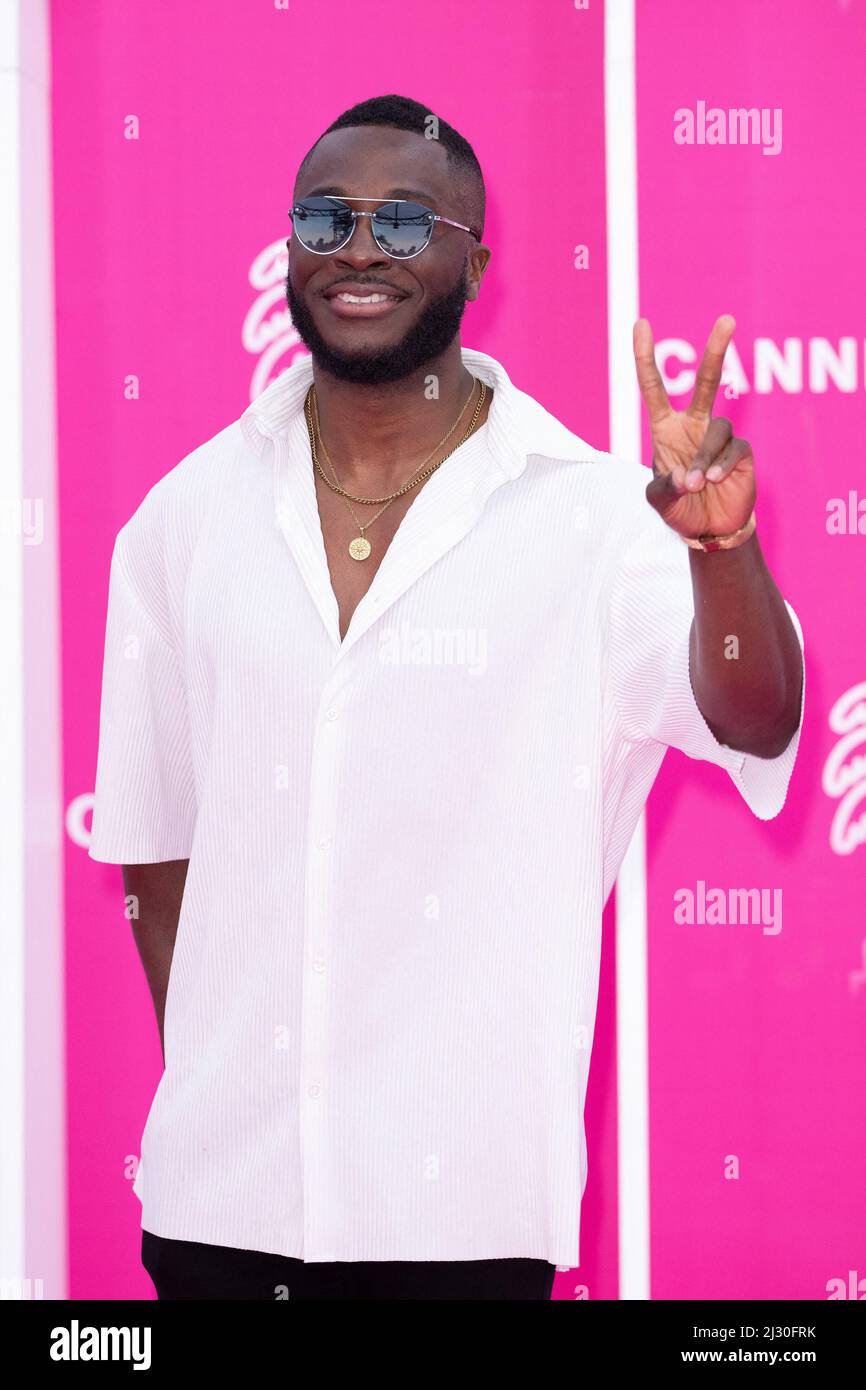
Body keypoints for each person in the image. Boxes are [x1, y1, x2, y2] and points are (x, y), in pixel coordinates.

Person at [89, 94, 805, 1302]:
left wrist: (717, 550)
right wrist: (236, 1070)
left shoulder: (590, 516)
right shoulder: (180, 519)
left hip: (461, 1226)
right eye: (326, 217)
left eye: (403, 219)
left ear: (475, 259)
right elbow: (156, 856)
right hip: (217, 1208)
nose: (357, 246)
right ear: (286, 249)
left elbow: (756, 715)